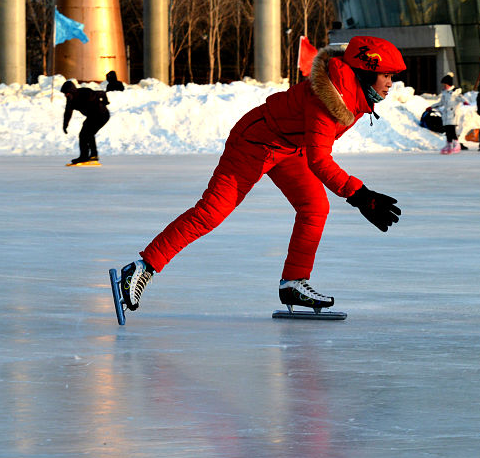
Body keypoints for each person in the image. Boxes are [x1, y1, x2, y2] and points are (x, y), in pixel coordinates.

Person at [114, 35, 405, 318]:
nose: (391, 83)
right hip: (254, 142)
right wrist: (360, 195)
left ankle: (294, 282)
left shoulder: (351, 92)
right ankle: (141, 268)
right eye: (387, 75)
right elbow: (319, 159)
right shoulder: (330, 98)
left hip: (289, 148)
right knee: (210, 213)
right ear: (366, 72)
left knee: (315, 207)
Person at [61, 81, 110, 166]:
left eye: (67, 93)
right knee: (85, 134)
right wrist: (65, 125)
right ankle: (88, 156)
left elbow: (101, 93)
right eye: (65, 94)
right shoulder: (70, 100)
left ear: (72, 91)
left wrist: (105, 102)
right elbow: (67, 113)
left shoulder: (85, 93)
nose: (66, 95)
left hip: (102, 114)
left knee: (87, 133)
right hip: (92, 116)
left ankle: (90, 156)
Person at [436, 74, 463, 154]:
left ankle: (456, 144)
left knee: (452, 130)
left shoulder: (455, 92)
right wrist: (431, 107)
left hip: (453, 114)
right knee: (447, 130)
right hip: (446, 114)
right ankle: (449, 144)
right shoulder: (445, 93)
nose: (444, 86)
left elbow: (462, 99)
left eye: (445, 85)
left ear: (449, 84)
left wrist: (465, 101)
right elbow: (441, 103)